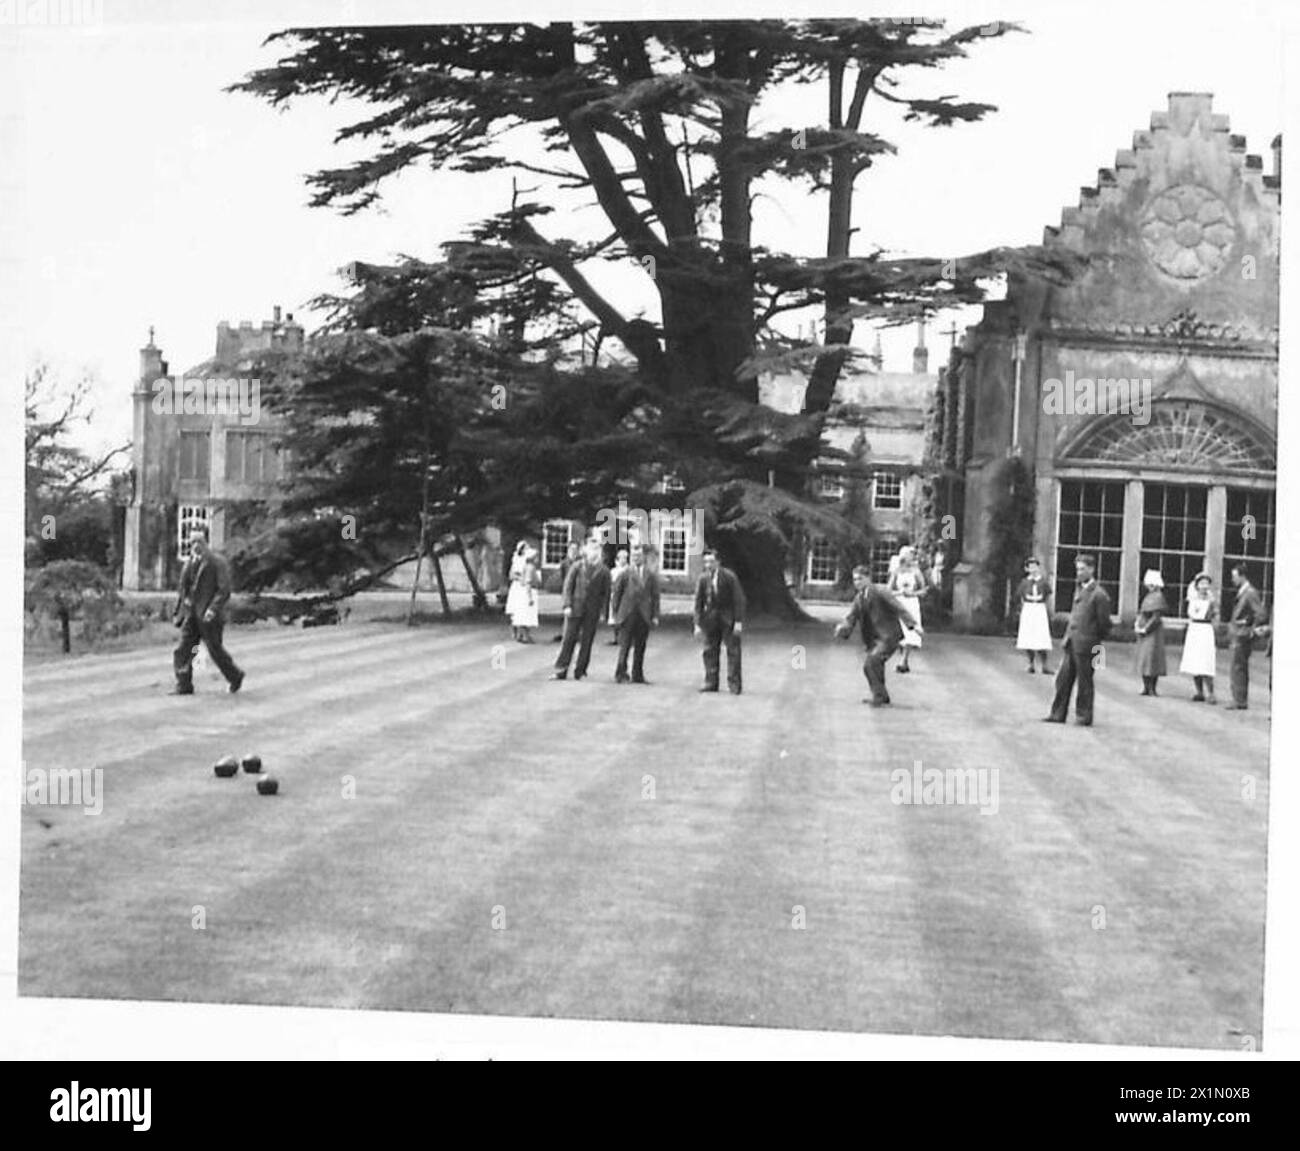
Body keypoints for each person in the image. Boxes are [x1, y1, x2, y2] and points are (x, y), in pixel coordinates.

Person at [170, 526, 244, 696]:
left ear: (206, 543)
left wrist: (213, 609)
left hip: (210, 617)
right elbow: (183, 591)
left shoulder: (217, 562)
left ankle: (235, 677)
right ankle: (184, 684)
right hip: (191, 615)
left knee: (215, 651)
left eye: (199, 541)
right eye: (193, 541)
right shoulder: (189, 563)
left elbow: (224, 590)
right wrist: (178, 612)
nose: (196, 545)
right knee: (184, 649)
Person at [834, 564, 921, 707]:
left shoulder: (880, 591)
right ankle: (882, 695)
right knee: (874, 665)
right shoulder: (859, 598)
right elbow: (851, 618)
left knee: (872, 663)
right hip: (875, 639)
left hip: (889, 636)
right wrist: (843, 629)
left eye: (860, 579)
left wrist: (913, 625)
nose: (857, 582)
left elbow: (898, 607)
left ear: (868, 578)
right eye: (855, 580)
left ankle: (878, 697)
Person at [1044, 553, 1112, 726]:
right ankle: (1057, 714)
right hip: (1072, 642)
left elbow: (1105, 624)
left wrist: (1095, 643)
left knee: (1085, 682)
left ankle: (1084, 716)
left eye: (1082, 569)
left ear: (1091, 569)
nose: (1079, 573)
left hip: (1089, 645)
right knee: (1063, 680)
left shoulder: (1099, 594)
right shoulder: (1080, 589)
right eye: (1077, 569)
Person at [551, 536, 612, 681]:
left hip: (592, 611)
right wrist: (566, 605)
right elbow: (568, 586)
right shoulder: (577, 566)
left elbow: (606, 594)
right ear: (586, 550)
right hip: (574, 608)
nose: (595, 552)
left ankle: (580, 671)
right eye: (592, 549)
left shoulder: (604, 571)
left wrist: (605, 612)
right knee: (568, 639)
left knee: (587, 642)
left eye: (597, 549)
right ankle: (561, 670)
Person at [693, 548, 746, 694]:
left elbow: (739, 599)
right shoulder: (703, 579)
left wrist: (738, 621)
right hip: (710, 620)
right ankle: (711, 682)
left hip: (728, 619)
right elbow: (698, 603)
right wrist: (697, 624)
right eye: (706, 562)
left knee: (733, 652)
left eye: (711, 561)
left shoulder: (729, 577)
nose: (708, 565)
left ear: (718, 562)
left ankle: (734, 685)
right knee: (709, 651)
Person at [611, 542, 660, 684]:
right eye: (634, 556)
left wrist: (655, 615)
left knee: (640, 647)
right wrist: (615, 614)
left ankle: (637, 674)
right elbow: (617, 594)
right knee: (625, 646)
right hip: (627, 614)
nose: (636, 558)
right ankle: (620, 673)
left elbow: (655, 596)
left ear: (643, 557)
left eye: (639, 555)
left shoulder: (650, 575)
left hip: (644, 615)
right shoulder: (625, 574)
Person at [1227, 562, 1268, 710]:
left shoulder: (1249, 592)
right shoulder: (1243, 592)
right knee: (1237, 666)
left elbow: (1261, 613)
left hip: (1242, 635)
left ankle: (1239, 700)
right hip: (1238, 634)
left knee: (1238, 667)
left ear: (1242, 576)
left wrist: (1250, 627)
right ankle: (1238, 698)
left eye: (1234, 576)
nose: (1233, 580)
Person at [1180, 572, 1219, 704]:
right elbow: (1191, 613)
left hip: (1206, 630)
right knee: (1195, 660)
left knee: (1206, 660)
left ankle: (1211, 693)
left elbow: (1214, 615)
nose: (1204, 586)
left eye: (1206, 583)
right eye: (1201, 583)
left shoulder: (1212, 600)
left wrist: (1212, 612)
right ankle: (1199, 691)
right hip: (1195, 629)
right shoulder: (1192, 599)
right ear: (1197, 585)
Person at [888, 545, 927, 674]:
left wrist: (913, 594)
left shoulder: (916, 571)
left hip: (911, 603)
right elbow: (889, 590)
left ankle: (904, 662)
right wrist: (899, 592)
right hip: (899, 603)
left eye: (913, 555)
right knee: (898, 631)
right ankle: (900, 655)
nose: (913, 557)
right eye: (911, 555)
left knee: (910, 632)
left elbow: (924, 590)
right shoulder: (897, 571)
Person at [1014, 556, 1053, 673]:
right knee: (1028, 636)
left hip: (1039, 608)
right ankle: (1030, 664)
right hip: (1028, 609)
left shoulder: (1044, 582)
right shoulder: (1024, 582)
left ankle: (1045, 665)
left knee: (1041, 636)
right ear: (1027, 569)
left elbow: (1047, 594)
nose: (1033, 569)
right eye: (1030, 567)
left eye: (1035, 567)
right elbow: (1019, 596)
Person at [1134, 570, 1168, 696]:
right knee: (1144, 659)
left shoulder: (1158, 597)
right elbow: (1142, 612)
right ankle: (1146, 687)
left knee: (1153, 659)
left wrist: (1145, 629)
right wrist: (1137, 624)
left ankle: (1152, 687)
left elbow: (1156, 617)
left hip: (1153, 632)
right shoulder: (1148, 596)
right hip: (1144, 630)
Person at [506, 542, 540, 643]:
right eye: (525, 548)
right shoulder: (517, 560)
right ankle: (517, 632)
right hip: (518, 586)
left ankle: (522, 633)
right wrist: (521, 578)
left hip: (525, 586)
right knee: (518, 609)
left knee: (523, 610)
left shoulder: (529, 562)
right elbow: (511, 575)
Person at [552, 540, 581, 642]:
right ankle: (566, 634)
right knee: (567, 611)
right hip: (568, 589)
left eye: (576, 549)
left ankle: (576, 634)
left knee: (577, 611)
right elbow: (563, 576)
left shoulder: (581, 561)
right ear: (568, 549)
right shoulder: (564, 563)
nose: (574, 551)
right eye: (572, 549)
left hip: (578, 589)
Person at [607, 547, 629, 645]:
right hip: (614, 595)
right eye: (621, 558)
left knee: (624, 617)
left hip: (625, 596)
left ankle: (624, 638)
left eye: (625, 558)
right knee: (614, 616)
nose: (623, 560)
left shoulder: (629, 570)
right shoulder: (613, 571)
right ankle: (616, 637)